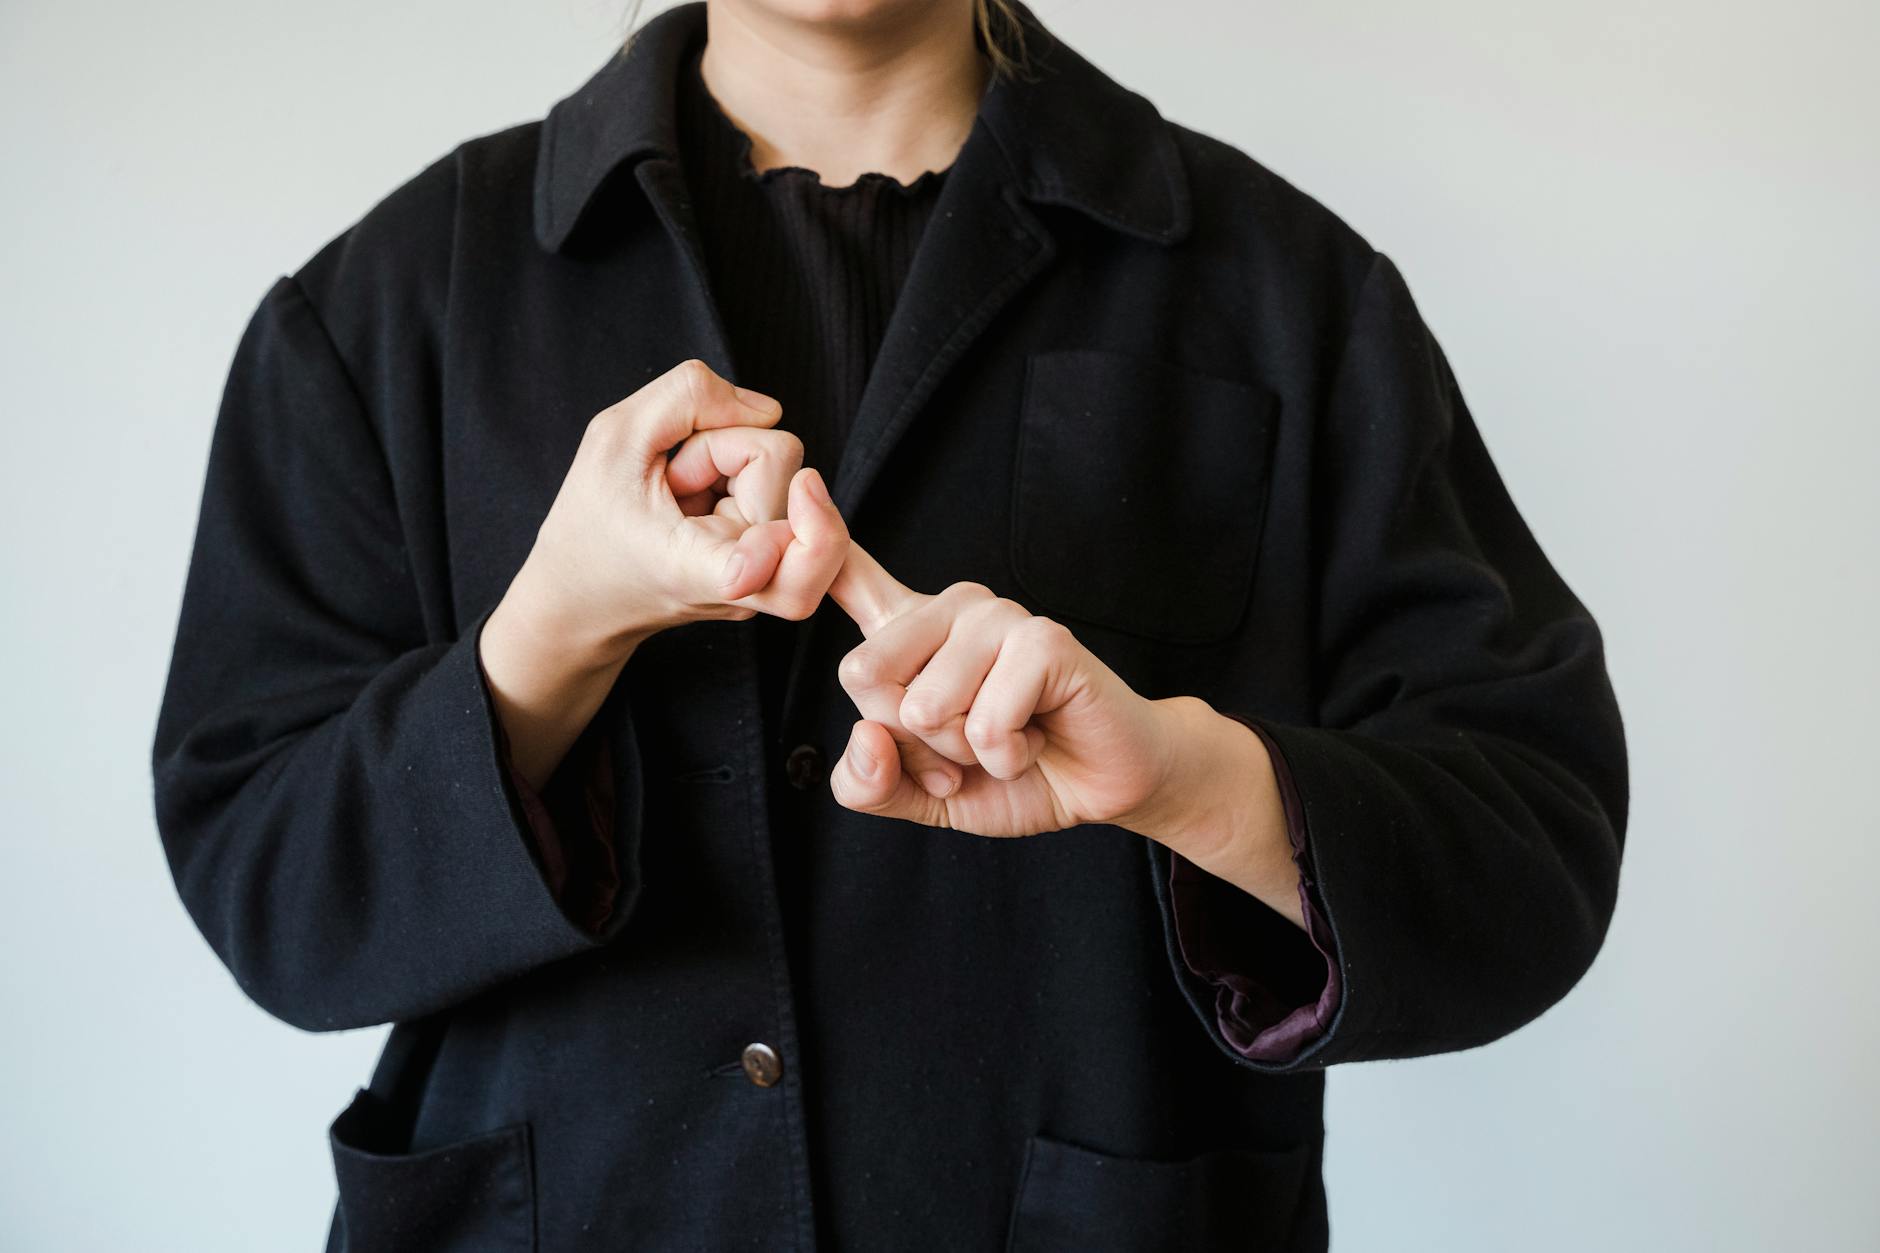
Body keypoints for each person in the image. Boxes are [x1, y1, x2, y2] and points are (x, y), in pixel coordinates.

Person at [150, 1, 1629, 1249]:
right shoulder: (383, 310)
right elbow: (265, 879)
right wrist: (547, 642)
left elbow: (1532, 840)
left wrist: (1187, 775)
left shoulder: (1291, 297)